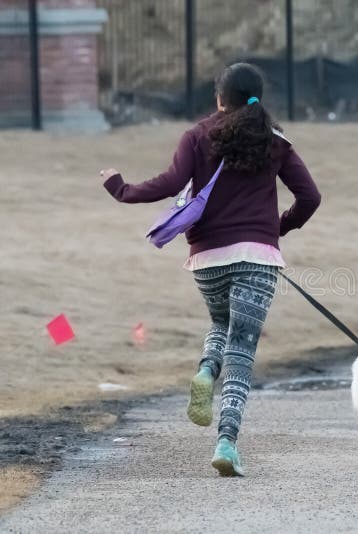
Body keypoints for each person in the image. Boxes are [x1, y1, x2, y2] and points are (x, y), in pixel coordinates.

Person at [100, 63, 321, 477]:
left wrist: (120, 187)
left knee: (221, 321)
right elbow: (310, 197)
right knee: (242, 348)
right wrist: (277, 228)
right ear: (258, 98)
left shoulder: (197, 136)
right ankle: (226, 443)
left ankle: (205, 370)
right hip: (257, 258)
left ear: (219, 98)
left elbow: (168, 184)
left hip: (207, 260)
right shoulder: (276, 142)